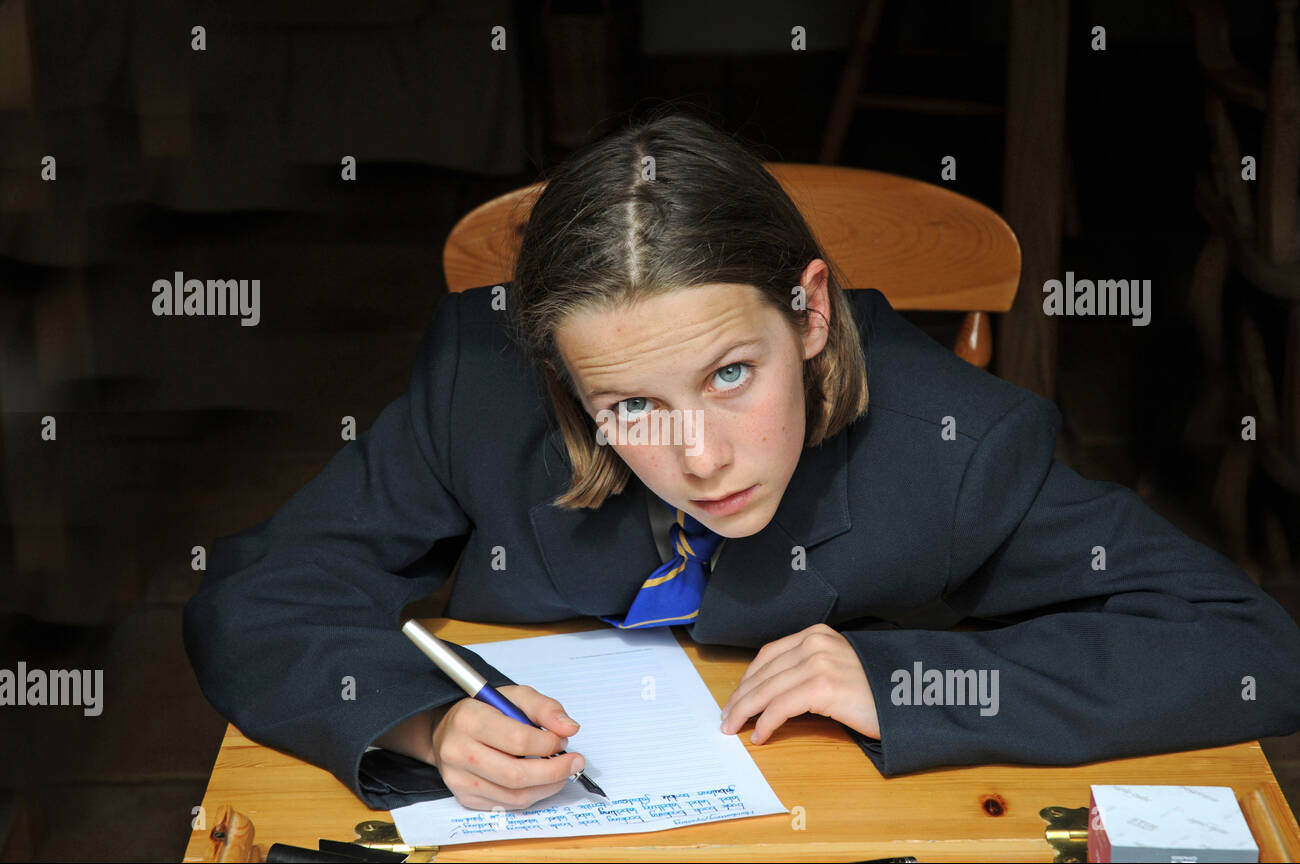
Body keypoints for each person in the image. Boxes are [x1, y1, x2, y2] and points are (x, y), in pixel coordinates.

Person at [182, 110, 1300, 813]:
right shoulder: (476, 383)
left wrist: (913, 678)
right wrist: (421, 720)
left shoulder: (954, 443)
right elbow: (255, 592)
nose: (702, 457)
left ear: (809, 313)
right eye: (629, 403)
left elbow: (1251, 648)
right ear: (565, 383)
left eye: (729, 374)